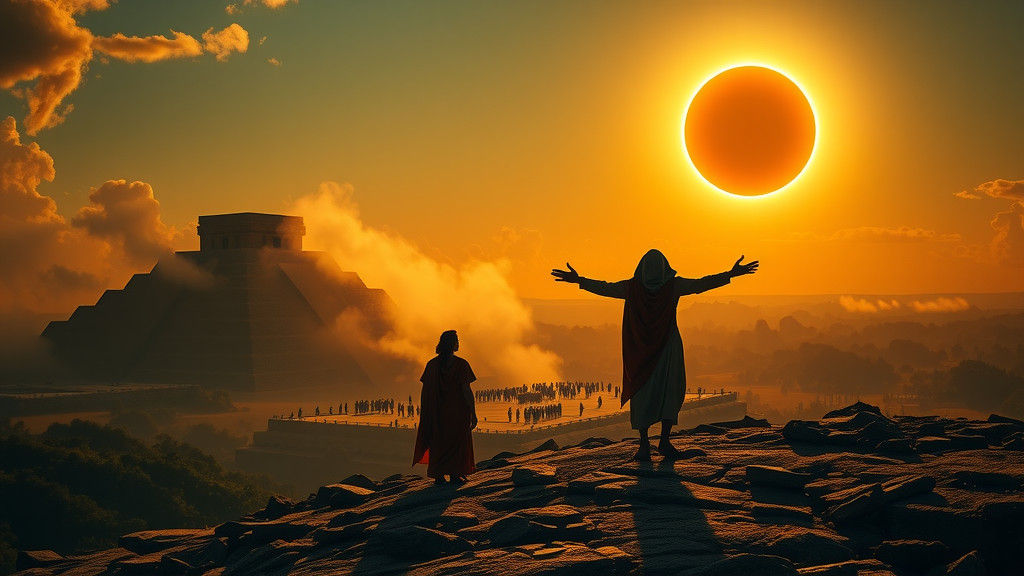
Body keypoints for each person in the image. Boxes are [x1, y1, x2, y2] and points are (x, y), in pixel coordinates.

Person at [552, 250, 758, 461]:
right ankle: (664, 441)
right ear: (665, 268)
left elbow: (605, 287)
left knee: (643, 394)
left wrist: (579, 280)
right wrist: (730, 274)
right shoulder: (673, 286)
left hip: (639, 350)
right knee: (669, 390)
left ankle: (644, 444)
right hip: (668, 347)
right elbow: (700, 284)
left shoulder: (632, 288)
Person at [412, 330, 478, 484]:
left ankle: (439, 475)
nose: (459, 343)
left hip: (437, 413)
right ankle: (455, 473)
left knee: (438, 443)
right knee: (457, 443)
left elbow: (425, 391)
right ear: (453, 344)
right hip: (457, 413)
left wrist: (426, 412)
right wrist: (473, 412)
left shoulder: (432, 365)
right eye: (457, 340)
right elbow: (466, 390)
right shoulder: (461, 364)